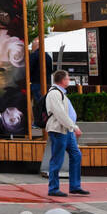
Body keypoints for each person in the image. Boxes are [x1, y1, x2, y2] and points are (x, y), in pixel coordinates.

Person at [45, 69, 89, 197]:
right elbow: (60, 114)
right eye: (68, 78)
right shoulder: (54, 94)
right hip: (59, 129)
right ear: (63, 80)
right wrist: (73, 127)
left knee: (76, 155)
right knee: (57, 159)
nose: (69, 80)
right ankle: (53, 188)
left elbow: (64, 113)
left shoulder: (60, 93)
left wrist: (72, 127)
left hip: (65, 129)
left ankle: (75, 186)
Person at [29, 39, 55, 178]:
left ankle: (37, 122)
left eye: (33, 45)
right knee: (44, 104)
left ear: (35, 46)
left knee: (36, 105)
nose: (32, 47)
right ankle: (44, 122)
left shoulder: (34, 56)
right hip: (46, 83)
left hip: (35, 83)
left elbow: (29, 69)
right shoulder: (48, 56)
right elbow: (51, 70)